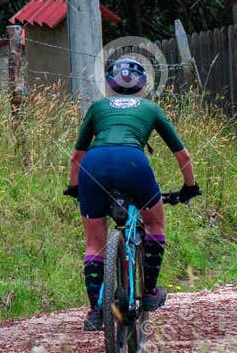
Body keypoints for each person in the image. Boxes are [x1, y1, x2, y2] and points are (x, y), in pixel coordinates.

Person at [64, 57, 200, 332]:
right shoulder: (150, 108)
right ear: (142, 84)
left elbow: (76, 156)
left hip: (94, 164)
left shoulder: (98, 107)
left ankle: (95, 311)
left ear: (111, 84)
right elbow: (182, 155)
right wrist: (189, 187)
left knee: (94, 243)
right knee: (154, 224)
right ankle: (148, 292)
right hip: (133, 163)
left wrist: (76, 188)